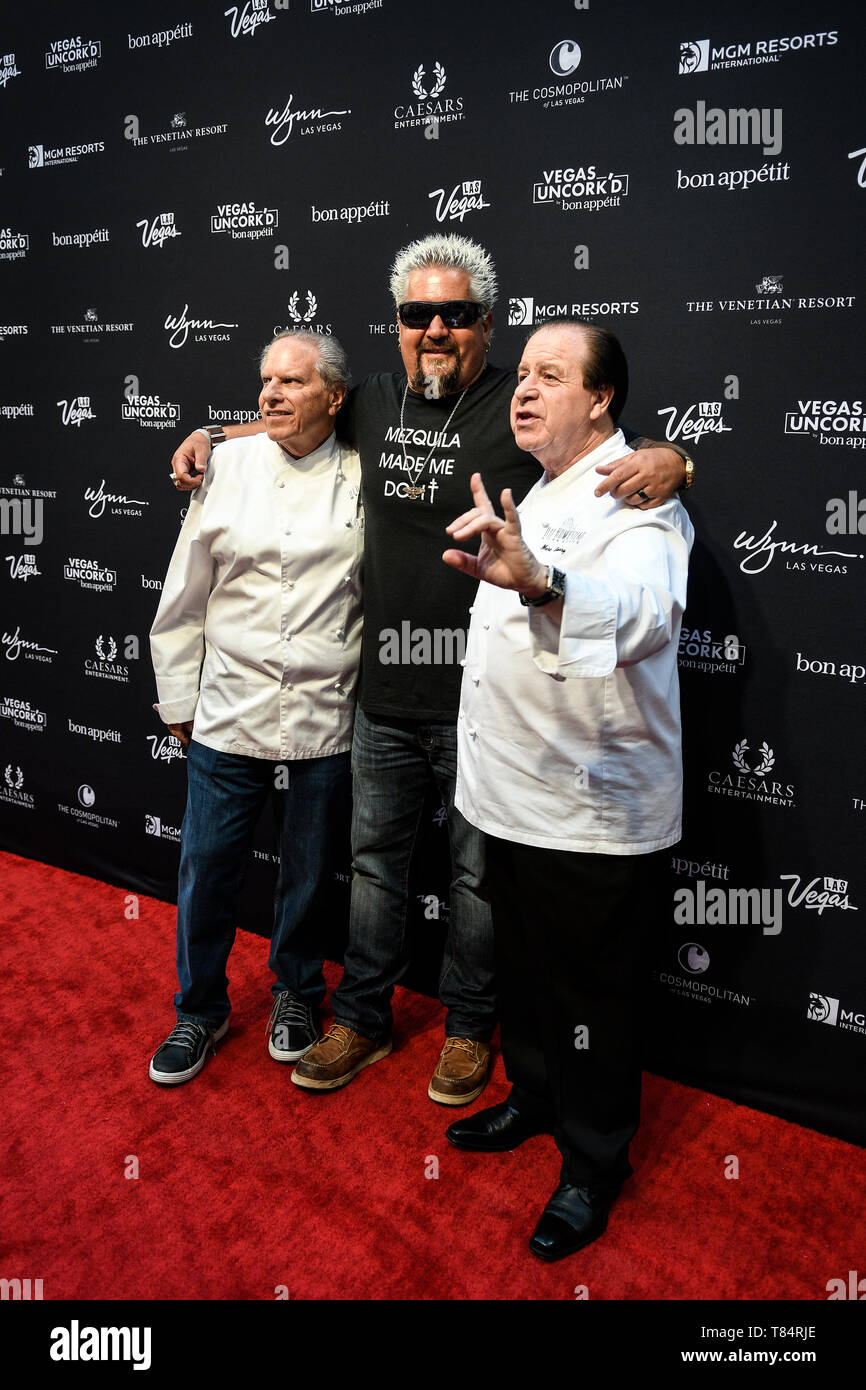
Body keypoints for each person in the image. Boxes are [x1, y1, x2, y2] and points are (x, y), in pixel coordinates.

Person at [168, 234, 693, 1105]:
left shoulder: (520, 408)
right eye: (417, 315)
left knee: (476, 879)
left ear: (486, 323)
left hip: (485, 707)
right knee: (374, 865)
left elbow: (615, 448)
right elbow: (295, 411)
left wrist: (677, 461)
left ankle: (467, 1029)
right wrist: (214, 431)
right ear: (398, 327)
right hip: (379, 695)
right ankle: (363, 1016)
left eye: (456, 314)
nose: (436, 329)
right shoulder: (373, 399)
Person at [441, 320, 693, 1260]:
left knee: (590, 995)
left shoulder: (643, 496)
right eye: (525, 374)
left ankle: (593, 1166)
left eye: (554, 375)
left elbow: (639, 617)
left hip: (591, 808)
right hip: (507, 795)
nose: (527, 388)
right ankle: (538, 1098)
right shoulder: (538, 486)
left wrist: (542, 583)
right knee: (527, 971)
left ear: (602, 401)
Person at [148, 331, 362, 1085]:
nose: (270, 393)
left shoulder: (366, 472)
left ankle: (299, 993)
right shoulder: (227, 465)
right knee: (206, 869)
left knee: (307, 875)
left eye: (292, 382)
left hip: (327, 712)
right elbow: (184, 595)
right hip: (230, 707)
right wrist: (179, 694)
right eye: (265, 380)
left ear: (334, 396)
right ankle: (198, 1010)